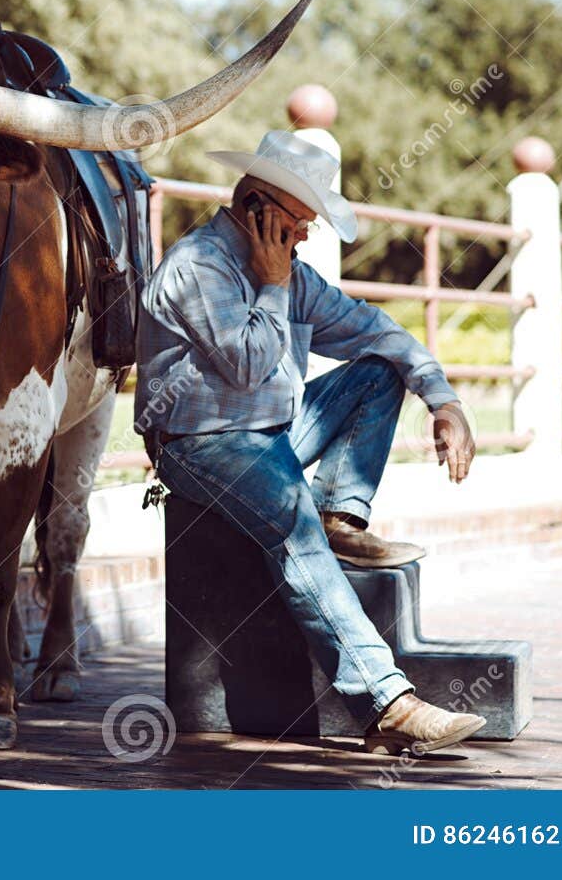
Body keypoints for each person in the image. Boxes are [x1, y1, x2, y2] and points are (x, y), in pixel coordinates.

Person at [136, 129, 484, 756]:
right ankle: (388, 702)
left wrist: (443, 397)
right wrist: (271, 283)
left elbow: (373, 329)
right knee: (292, 522)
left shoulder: (290, 274)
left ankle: (340, 513)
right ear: (257, 209)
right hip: (200, 443)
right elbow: (248, 364)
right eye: (299, 220)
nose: (307, 234)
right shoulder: (197, 267)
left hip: (269, 436)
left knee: (380, 370)